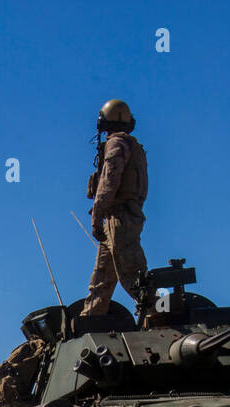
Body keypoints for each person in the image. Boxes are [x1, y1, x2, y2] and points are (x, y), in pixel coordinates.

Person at [82, 99, 148, 317]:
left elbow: (109, 180)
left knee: (134, 278)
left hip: (118, 219)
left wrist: (97, 216)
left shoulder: (116, 144)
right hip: (120, 218)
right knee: (101, 280)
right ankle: (89, 323)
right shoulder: (132, 145)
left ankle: (162, 317)